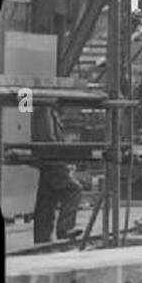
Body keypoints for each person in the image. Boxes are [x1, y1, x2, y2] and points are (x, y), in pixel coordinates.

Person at [31, 99, 82, 243]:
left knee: (47, 200)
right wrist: (64, 157)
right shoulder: (44, 109)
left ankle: (42, 238)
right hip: (52, 159)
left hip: (49, 159)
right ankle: (65, 229)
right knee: (73, 189)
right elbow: (47, 138)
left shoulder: (47, 110)